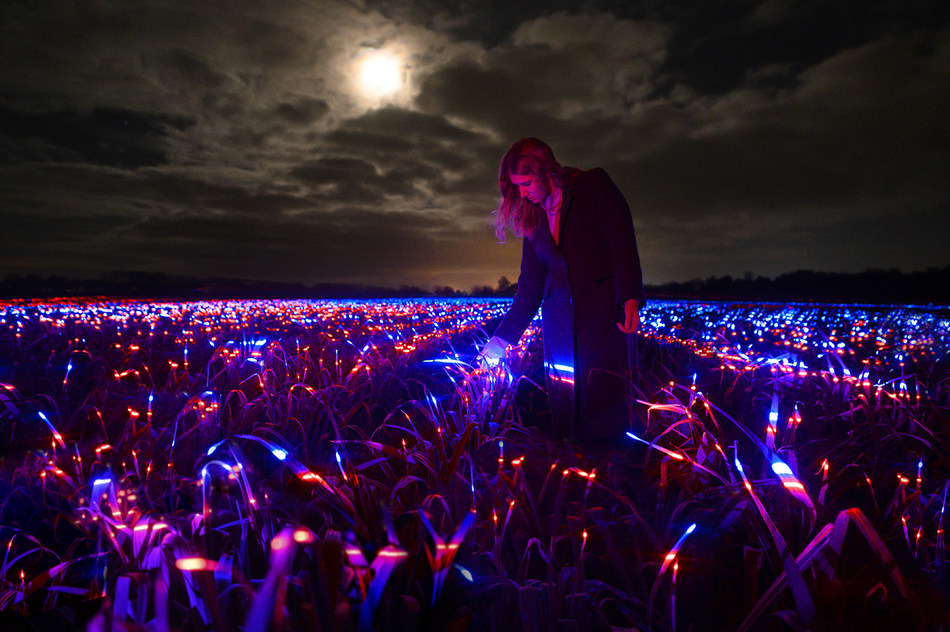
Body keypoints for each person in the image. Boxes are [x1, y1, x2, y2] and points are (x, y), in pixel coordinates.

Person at [478, 138, 645, 444]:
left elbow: (621, 243)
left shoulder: (592, 186)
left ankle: (612, 475)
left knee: (606, 406)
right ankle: (573, 475)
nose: (523, 193)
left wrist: (630, 297)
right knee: (567, 411)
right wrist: (501, 341)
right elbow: (529, 289)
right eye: (517, 186)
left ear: (545, 170)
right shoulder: (533, 220)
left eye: (527, 182)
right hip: (558, 330)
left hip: (602, 321)